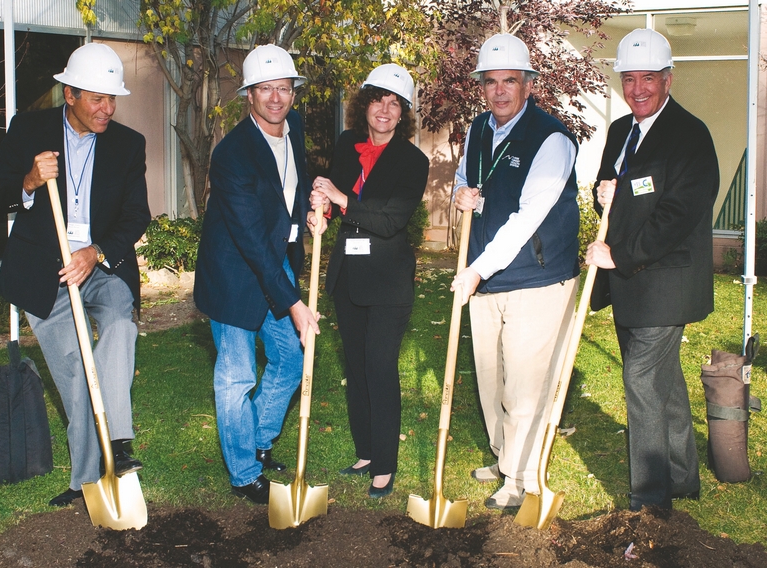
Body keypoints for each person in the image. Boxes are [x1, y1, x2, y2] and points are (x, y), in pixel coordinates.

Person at [0, 43, 150, 507]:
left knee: (119, 324)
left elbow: (137, 215)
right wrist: (28, 184)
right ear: (69, 93)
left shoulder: (128, 142)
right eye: (98, 98)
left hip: (101, 266)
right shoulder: (29, 129)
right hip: (44, 272)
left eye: (113, 99)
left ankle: (116, 443)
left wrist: (95, 253)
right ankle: (84, 481)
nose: (108, 108)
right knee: (77, 373)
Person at [585, 29, 719, 511]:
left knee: (641, 381)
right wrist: (603, 190)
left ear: (668, 78)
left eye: (648, 78)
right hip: (629, 286)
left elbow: (677, 216)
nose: (637, 88)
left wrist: (618, 256)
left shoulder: (690, 137)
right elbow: (612, 185)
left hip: (666, 283)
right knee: (664, 383)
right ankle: (682, 477)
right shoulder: (622, 130)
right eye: (629, 78)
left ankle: (649, 498)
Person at [449, 33, 580, 510]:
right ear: (481, 86)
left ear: (528, 84)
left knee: (524, 385)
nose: (499, 91)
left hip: (538, 277)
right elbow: (467, 178)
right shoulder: (478, 130)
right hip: (486, 275)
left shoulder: (553, 139)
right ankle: (504, 454)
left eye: (510, 81)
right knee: (491, 378)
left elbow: (527, 219)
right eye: (491, 82)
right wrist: (461, 193)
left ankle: (519, 479)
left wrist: (476, 270)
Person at [193, 44, 319, 505]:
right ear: (249, 95)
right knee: (237, 374)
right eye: (265, 89)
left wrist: (310, 206)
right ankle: (244, 472)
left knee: (291, 358)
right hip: (234, 272)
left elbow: (290, 185)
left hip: (274, 258)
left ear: (293, 93)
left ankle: (259, 441)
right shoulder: (232, 154)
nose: (275, 98)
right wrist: (295, 303)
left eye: (283, 88)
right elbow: (247, 236)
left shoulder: (295, 128)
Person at [308, 64, 429, 499]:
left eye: (394, 103)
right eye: (378, 99)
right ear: (365, 105)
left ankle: (386, 463)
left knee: (379, 367)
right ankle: (365, 452)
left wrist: (343, 199)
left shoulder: (413, 162)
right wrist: (320, 206)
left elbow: (391, 220)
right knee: (356, 369)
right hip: (348, 275)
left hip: (387, 282)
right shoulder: (346, 144)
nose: (384, 109)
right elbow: (332, 197)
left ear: (403, 115)